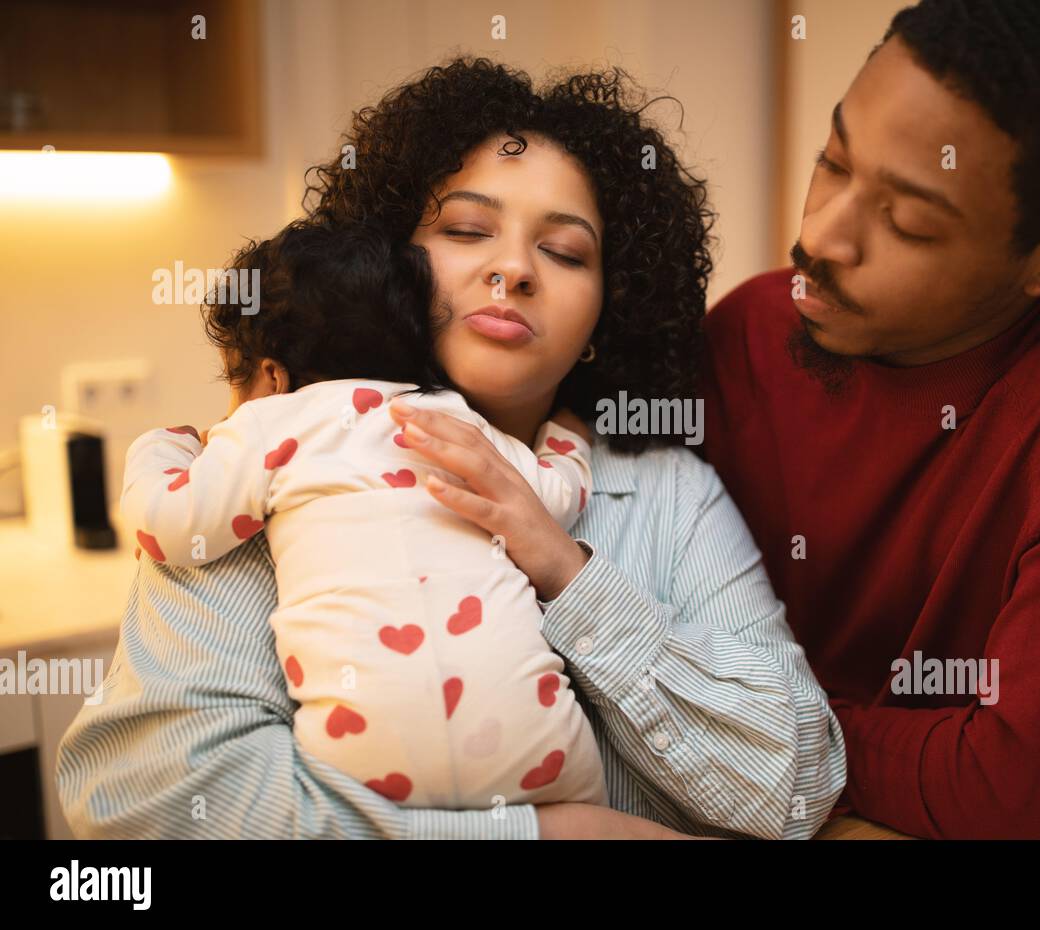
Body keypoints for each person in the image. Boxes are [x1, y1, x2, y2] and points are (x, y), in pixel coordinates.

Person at [57, 58, 846, 840]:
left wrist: (566, 571)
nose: (512, 269)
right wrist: (546, 838)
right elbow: (151, 803)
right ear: (386, 268)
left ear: (609, 316)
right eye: (467, 231)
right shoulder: (270, 459)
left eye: (566, 252)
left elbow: (794, 787)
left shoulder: (671, 494)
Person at [701, 0, 1040, 838]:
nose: (821, 238)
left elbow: (1007, 796)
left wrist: (740, 725)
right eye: (834, 162)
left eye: (908, 222)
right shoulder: (749, 334)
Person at [119, 220, 607, 810]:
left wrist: (165, 447)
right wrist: (568, 438)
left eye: (233, 382)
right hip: (543, 751)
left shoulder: (269, 423)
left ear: (272, 378)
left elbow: (164, 524)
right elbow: (556, 497)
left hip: (362, 766)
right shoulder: (456, 421)